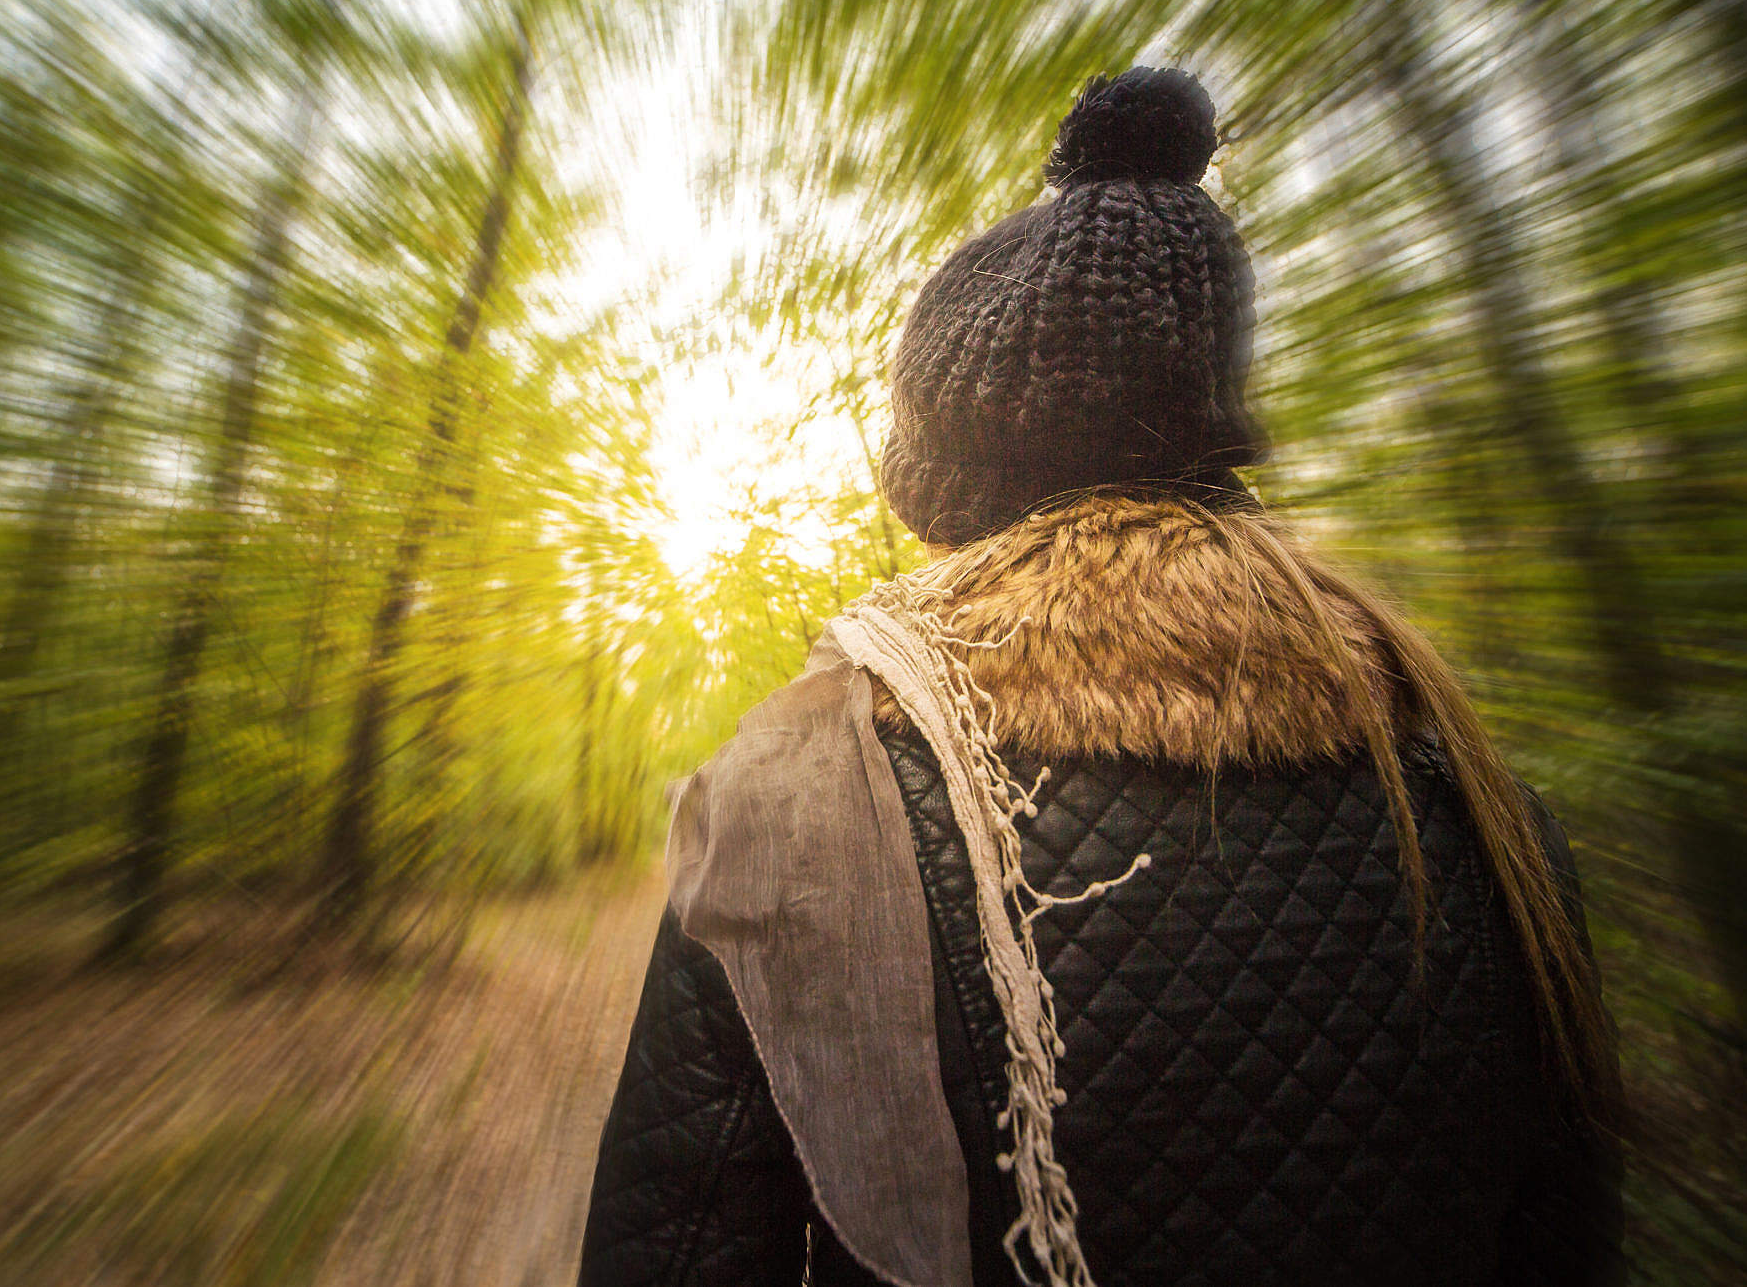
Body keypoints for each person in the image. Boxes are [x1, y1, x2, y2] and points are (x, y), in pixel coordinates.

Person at [576, 69, 1624, 1287]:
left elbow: (674, 1249)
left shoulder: (786, 809)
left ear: (940, 487)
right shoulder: (1481, 810)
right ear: (1214, 433)